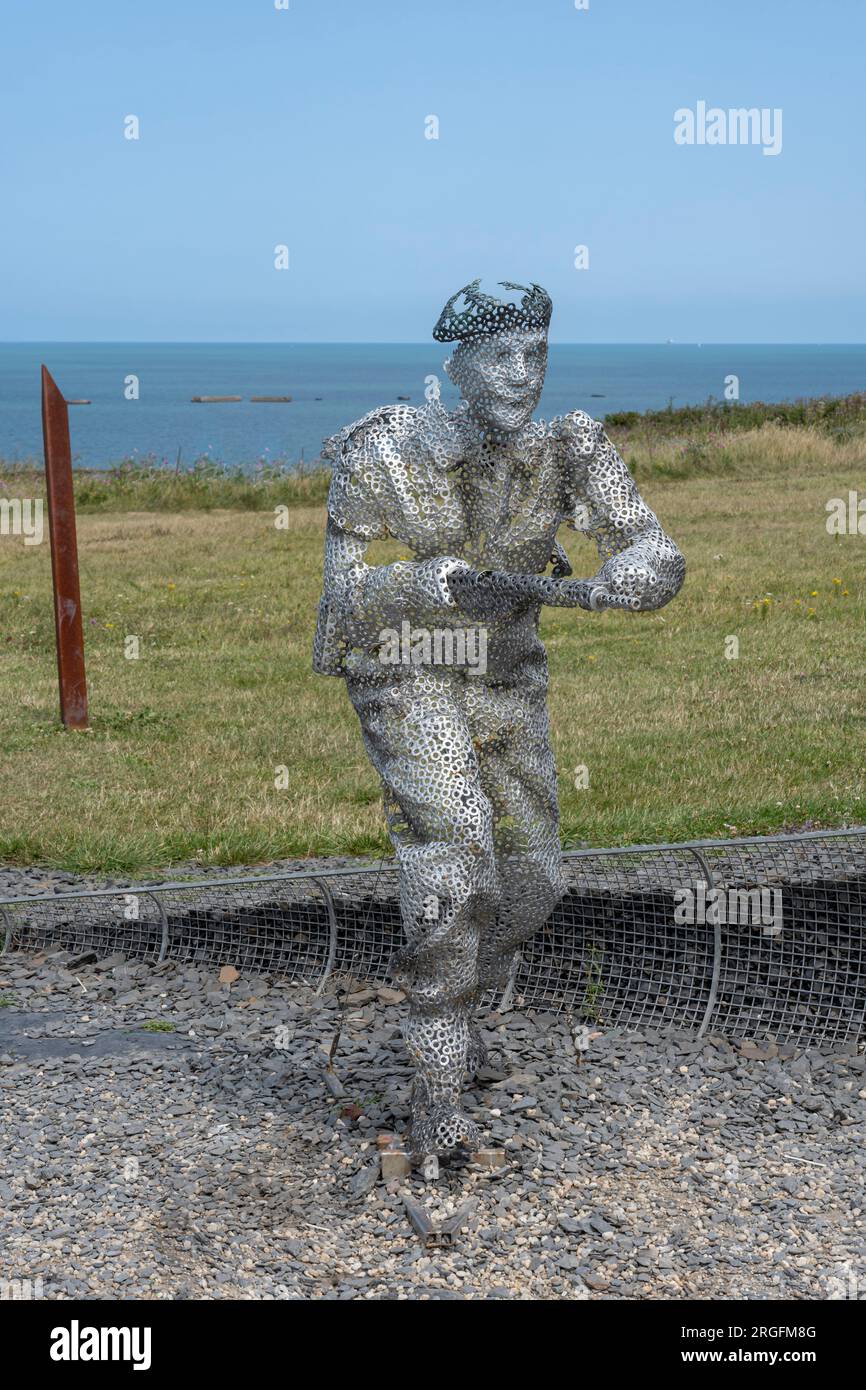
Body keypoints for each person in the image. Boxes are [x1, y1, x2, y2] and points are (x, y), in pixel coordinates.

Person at [313, 279, 684, 1157]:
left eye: (538, 354)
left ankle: (467, 1017)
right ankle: (437, 1095)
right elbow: (341, 602)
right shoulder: (384, 453)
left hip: (506, 677)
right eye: (501, 354)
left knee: (533, 880)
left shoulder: (571, 449)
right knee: (456, 851)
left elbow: (645, 540)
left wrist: (648, 569)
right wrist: (417, 584)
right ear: (458, 363)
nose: (524, 374)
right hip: (409, 667)